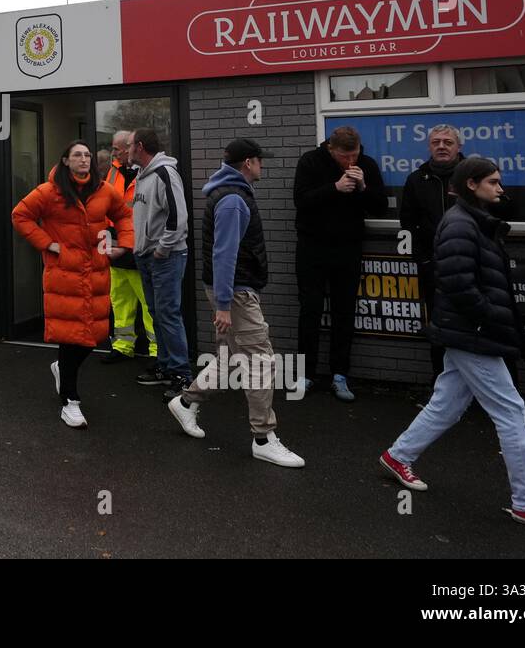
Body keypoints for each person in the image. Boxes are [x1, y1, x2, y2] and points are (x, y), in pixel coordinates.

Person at [378, 158, 525, 533]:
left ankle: (397, 456)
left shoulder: (474, 221)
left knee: (447, 404)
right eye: (493, 182)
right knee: (514, 416)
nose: (500, 188)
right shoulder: (460, 225)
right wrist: (490, 318)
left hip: (469, 332)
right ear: (472, 185)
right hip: (472, 334)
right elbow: (457, 284)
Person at [166, 139, 306, 468]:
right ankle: (263, 438)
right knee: (261, 361)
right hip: (236, 292)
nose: (262, 166)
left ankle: (186, 403)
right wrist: (225, 304)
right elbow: (224, 254)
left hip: (232, 290)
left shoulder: (230, 193)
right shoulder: (232, 199)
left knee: (230, 358)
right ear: (247, 163)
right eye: (260, 161)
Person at [13, 140, 133, 428]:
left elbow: (124, 214)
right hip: (64, 274)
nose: (84, 159)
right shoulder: (49, 191)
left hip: (96, 271)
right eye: (77, 155)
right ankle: (70, 400)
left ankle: (61, 370)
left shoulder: (104, 190)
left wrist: (124, 245)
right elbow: (20, 215)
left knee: (94, 335)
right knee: (70, 337)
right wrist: (47, 244)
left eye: (87, 155)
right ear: (65, 160)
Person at [292, 125, 388, 401]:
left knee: (344, 311)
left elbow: (380, 207)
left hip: (348, 247)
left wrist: (363, 187)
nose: (350, 162)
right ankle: (305, 374)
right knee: (309, 309)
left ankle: (340, 375)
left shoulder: (366, 164)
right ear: (331, 149)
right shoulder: (310, 161)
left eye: (354, 155)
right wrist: (334, 188)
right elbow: (301, 201)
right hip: (313, 247)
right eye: (344, 157)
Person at [129, 128, 192, 389]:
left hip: (165, 257)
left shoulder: (165, 173)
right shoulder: (142, 176)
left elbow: (178, 216)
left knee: (168, 313)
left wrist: (162, 249)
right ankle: (165, 365)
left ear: (140, 146)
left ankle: (181, 374)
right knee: (156, 312)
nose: (127, 149)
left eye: (131, 145)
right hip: (147, 255)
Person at [400, 124, 465, 377]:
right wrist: (423, 259)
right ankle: (441, 386)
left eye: (447, 142)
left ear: (458, 147)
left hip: (470, 265)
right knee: (439, 328)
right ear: (429, 146)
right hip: (434, 266)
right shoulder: (417, 179)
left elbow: (497, 211)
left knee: (473, 328)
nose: (441, 146)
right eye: (436, 142)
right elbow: (408, 221)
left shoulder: (475, 175)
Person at [102, 130, 156, 366]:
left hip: (138, 247)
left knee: (147, 303)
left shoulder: (147, 172)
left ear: (129, 147)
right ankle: (123, 347)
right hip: (115, 246)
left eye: (116, 148)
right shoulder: (113, 170)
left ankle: (157, 351)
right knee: (119, 300)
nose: (113, 152)